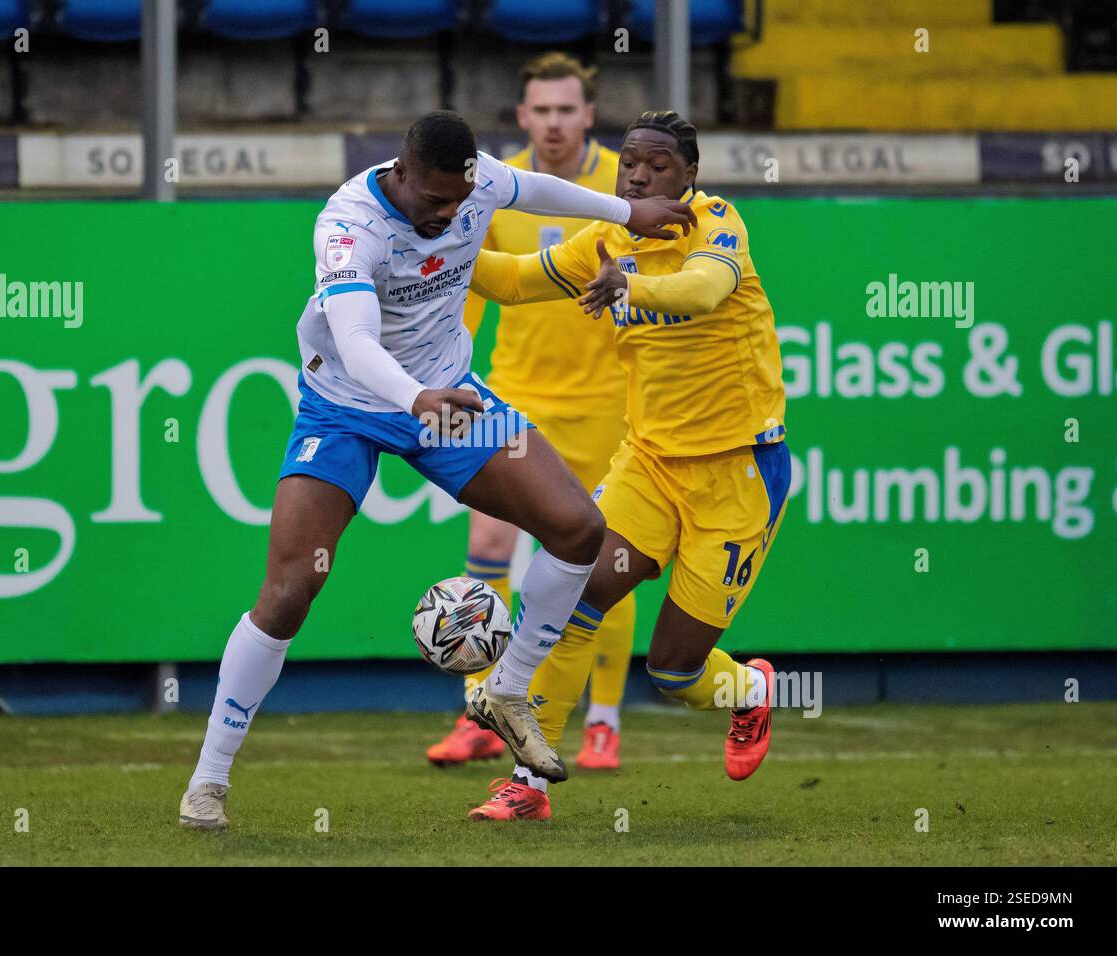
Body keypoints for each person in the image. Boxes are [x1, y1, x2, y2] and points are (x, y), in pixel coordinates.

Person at [178, 110, 692, 829]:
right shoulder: (347, 225)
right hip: (348, 408)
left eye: (459, 200)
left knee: (579, 529)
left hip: (448, 399)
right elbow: (356, 341)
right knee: (294, 585)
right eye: (433, 201)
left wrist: (627, 209)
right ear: (401, 170)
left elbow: (542, 190)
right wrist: (414, 398)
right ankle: (209, 779)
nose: (447, 213)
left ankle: (507, 690)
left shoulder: (476, 184)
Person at [463, 110, 788, 821]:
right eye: (630, 163)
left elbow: (703, 289)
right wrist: (437, 250)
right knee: (573, 597)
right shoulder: (607, 237)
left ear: (690, 176)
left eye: (659, 164)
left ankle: (754, 693)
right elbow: (517, 280)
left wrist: (628, 289)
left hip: (738, 472)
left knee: (675, 669)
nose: (638, 174)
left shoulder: (717, 222)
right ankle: (530, 782)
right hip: (650, 463)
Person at [425, 53, 636, 776]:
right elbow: (468, 292)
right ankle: (482, 710)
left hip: (606, 401)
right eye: (539, 110)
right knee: (487, 543)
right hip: (515, 393)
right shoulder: (491, 186)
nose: (552, 122)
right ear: (522, 117)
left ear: (587, 115)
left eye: (565, 110)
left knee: (605, 557)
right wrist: (448, 377)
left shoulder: (621, 186)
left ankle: (602, 724)